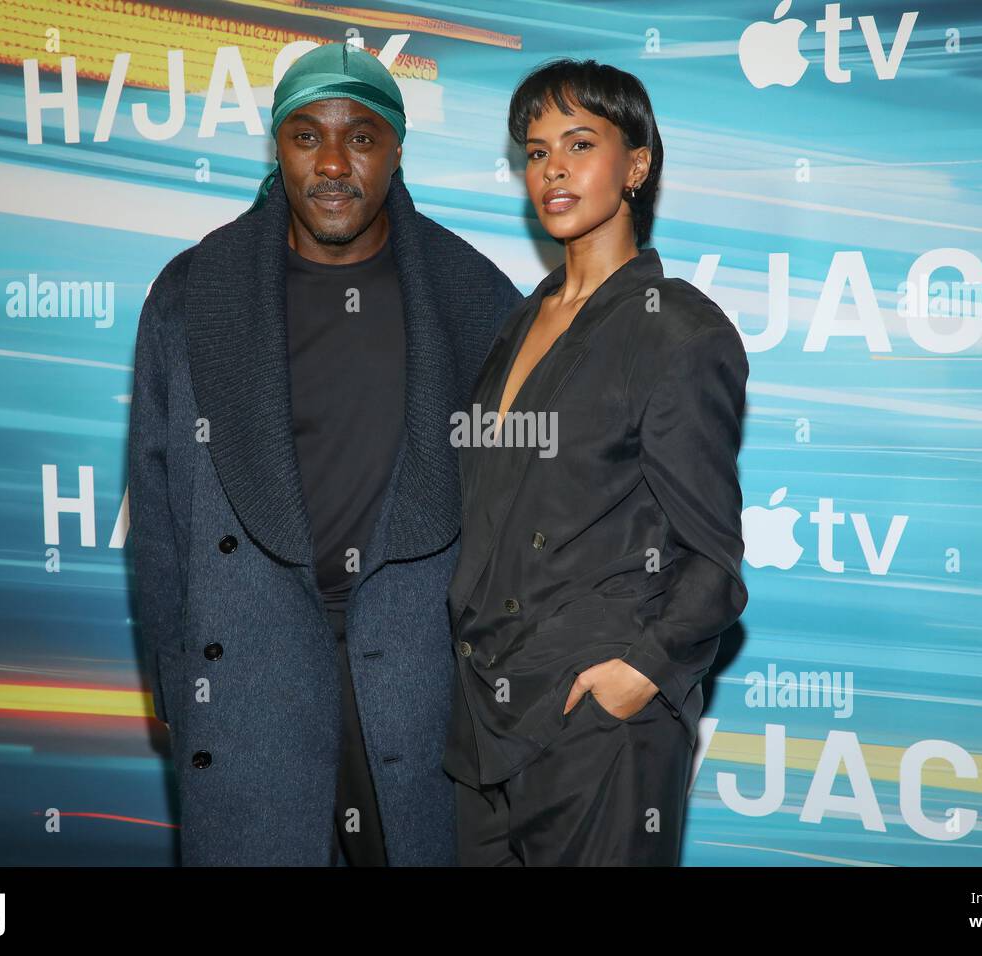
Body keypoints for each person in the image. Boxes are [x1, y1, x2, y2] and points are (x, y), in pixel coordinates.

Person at [128, 42, 521, 866]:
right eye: (308, 137)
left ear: (397, 150)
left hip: (419, 676)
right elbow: (158, 513)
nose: (335, 163)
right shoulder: (192, 292)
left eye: (362, 138)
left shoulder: (474, 296)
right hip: (250, 667)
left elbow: (518, 513)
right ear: (277, 146)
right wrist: (181, 685)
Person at [443, 58, 750, 866]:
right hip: (482, 724)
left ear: (637, 164)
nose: (554, 170)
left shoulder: (678, 330)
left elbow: (714, 563)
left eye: (581, 144)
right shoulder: (519, 322)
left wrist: (636, 674)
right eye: (538, 151)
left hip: (596, 727)